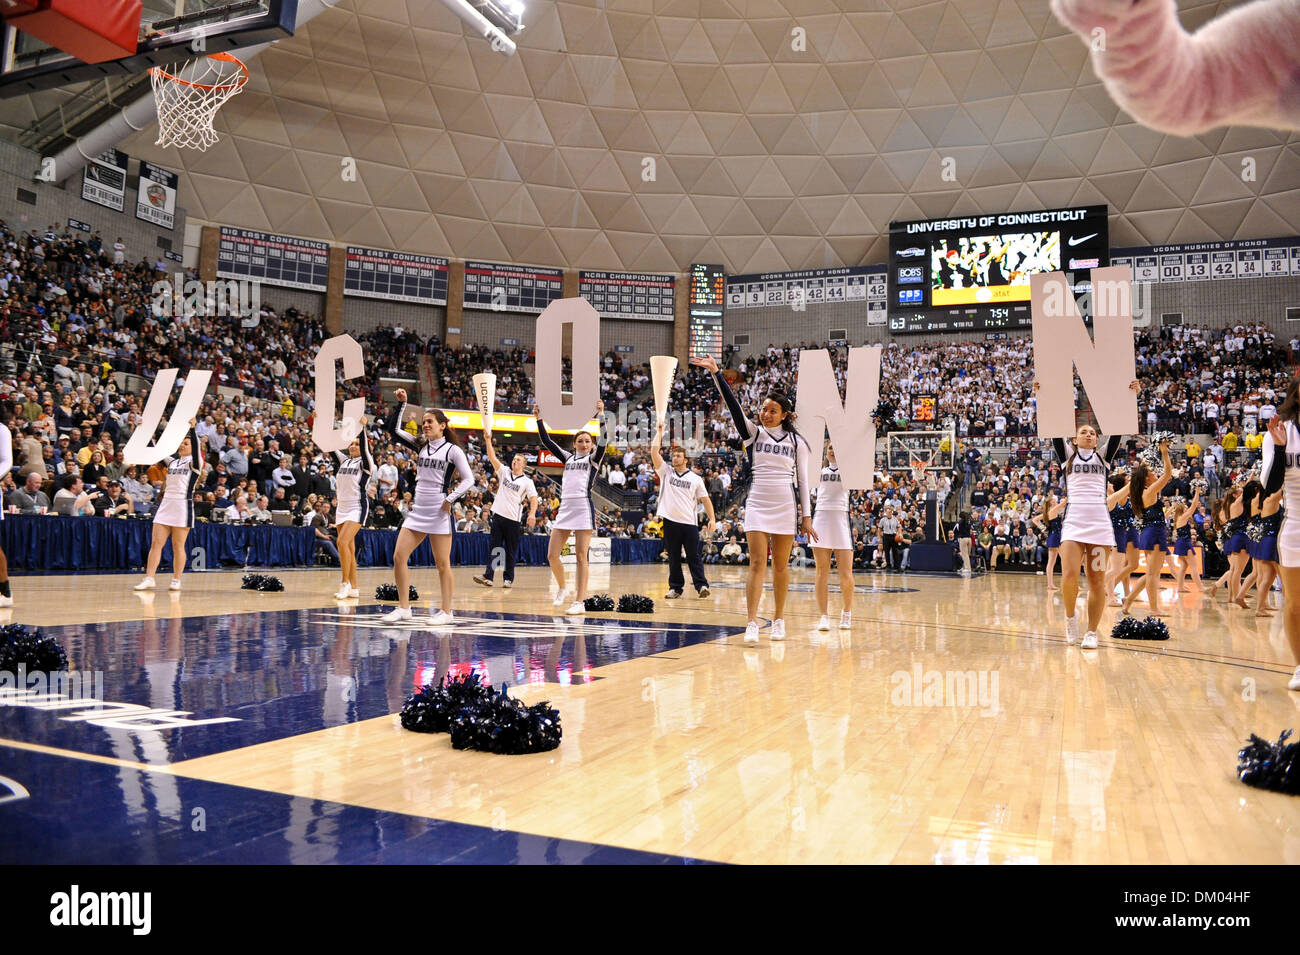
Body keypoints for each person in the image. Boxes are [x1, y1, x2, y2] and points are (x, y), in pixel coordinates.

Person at [690, 354, 815, 643]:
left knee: (781, 566)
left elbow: (804, 481)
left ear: (785, 414)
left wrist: (806, 516)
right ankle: (751, 622)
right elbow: (734, 408)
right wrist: (717, 373)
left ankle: (780, 619)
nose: (766, 414)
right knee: (757, 563)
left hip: (785, 503)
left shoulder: (798, 442)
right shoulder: (754, 434)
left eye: (772, 410)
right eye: (763, 409)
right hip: (758, 502)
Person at [1037, 377, 1141, 649]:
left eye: (1093, 433)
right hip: (1073, 522)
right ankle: (1070, 619)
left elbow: (1118, 432)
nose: (1089, 434)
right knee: (1069, 575)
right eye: (1084, 431)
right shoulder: (1068, 457)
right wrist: (1042, 396)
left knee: (1096, 580)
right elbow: (1052, 429)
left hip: (1099, 524)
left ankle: (1092, 632)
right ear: (1074, 438)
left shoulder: (1103, 458)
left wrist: (1132, 396)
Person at [381, 389, 474, 624]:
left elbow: (469, 479)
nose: (425, 425)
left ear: (443, 425)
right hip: (418, 510)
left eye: (430, 422)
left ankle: (446, 612)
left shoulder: (453, 450)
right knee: (399, 556)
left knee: (442, 564)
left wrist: (450, 499)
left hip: (439, 511)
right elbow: (393, 431)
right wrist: (402, 404)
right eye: (423, 422)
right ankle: (404, 608)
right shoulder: (420, 445)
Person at [534, 398, 608, 615]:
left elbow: (604, 439)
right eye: (580, 441)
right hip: (565, 509)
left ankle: (579, 601)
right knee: (552, 555)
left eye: (587, 441)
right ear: (574, 444)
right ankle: (563, 588)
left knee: (581, 556)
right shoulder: (567, 458)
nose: (584, 444)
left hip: (584, 508)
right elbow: (547, 441)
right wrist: (539, 418)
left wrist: (601, 415)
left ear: (592, 445)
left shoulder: (594, 459)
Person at [134, 418, 203, 592]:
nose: (182, 446)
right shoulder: (173, 462)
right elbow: (156, 450)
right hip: (166, 504)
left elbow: (196, 449)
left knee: (177, 545)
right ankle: (149, 578)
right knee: (156, 543)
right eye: (181, 443)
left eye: (185, 444)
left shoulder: (196, 464)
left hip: (182, 505)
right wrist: (144, 430)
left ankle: (176, 579)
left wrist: (193, 430)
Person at [650, 420, 715, 600]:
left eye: (678, 456)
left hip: (689, 522)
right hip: (670, 521)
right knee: (673, 558)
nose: (674, 458)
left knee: (694, 556)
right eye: (673, 455)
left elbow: (706, 499)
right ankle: (676, 588)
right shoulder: (666, 472)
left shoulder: (695, 479)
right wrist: (659, 432)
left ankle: (701, 585)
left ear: (686, 459)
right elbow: (654, 452)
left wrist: (712, 519)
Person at [1261, 408, 1300, 689]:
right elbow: (1269, 485)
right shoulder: (1280, 430)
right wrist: (1278, 447)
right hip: (1296, 525)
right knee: (1295, 604)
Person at [473, 428, 538, 590]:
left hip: (513, 520)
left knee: (510, 551)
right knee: (495, 548)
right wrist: (488, 440)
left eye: (518, 460)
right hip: (499, 516)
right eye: (514, 459)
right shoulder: (504, 472)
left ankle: (508, 579)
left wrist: (532, 514)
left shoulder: (527, 482)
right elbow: (492, 457)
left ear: (523, 464)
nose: (515, 461)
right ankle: (489, 576)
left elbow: (533, 499)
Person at [1120, 441, 1175, 617]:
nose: (1153, 472)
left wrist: (1149, 454)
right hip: (1155, 532)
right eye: (1150, 472)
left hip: (1149, 532)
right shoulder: (1150, 491)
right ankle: (1153, 608)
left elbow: (1144, 470)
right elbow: (1168, 474)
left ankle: (1128, 599)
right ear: (1145, 478)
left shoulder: (1142, 492)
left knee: (1151, 572)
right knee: (1153, 574)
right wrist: (1164, 452)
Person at [324, 417, 374, 600]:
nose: (353, 446)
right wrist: (320, 422)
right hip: (342, 507)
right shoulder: (344, 461)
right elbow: (328, 445)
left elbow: (366, 449)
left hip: (357, 507)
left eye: (357, 444)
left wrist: (362, 428)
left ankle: (344, 583)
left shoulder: (366, 464)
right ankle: (354, 587)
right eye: (351, 444)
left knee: (342, 543)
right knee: (349, 549)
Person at [811, 443, 854, 631]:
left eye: (836, 447)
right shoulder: (818, 471)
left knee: (846, 572)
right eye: (829, 447)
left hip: (841, 518)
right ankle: (823, 616)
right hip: (820, 517)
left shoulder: (850, 470)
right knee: (822, 572)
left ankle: (847, 612)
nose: (832, 450)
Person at [1170, 486, 1205, 595]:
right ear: (1182, 510)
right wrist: (1197, 492)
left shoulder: (1178, 518)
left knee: (1184, 567)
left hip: (1181, 542)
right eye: (1185, 507)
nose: (1187, 508)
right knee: (1194, 566)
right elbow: (1194, 505)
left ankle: (1180, 587)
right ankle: (1200, 588)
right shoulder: (1183, 517)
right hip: (1185, 542)